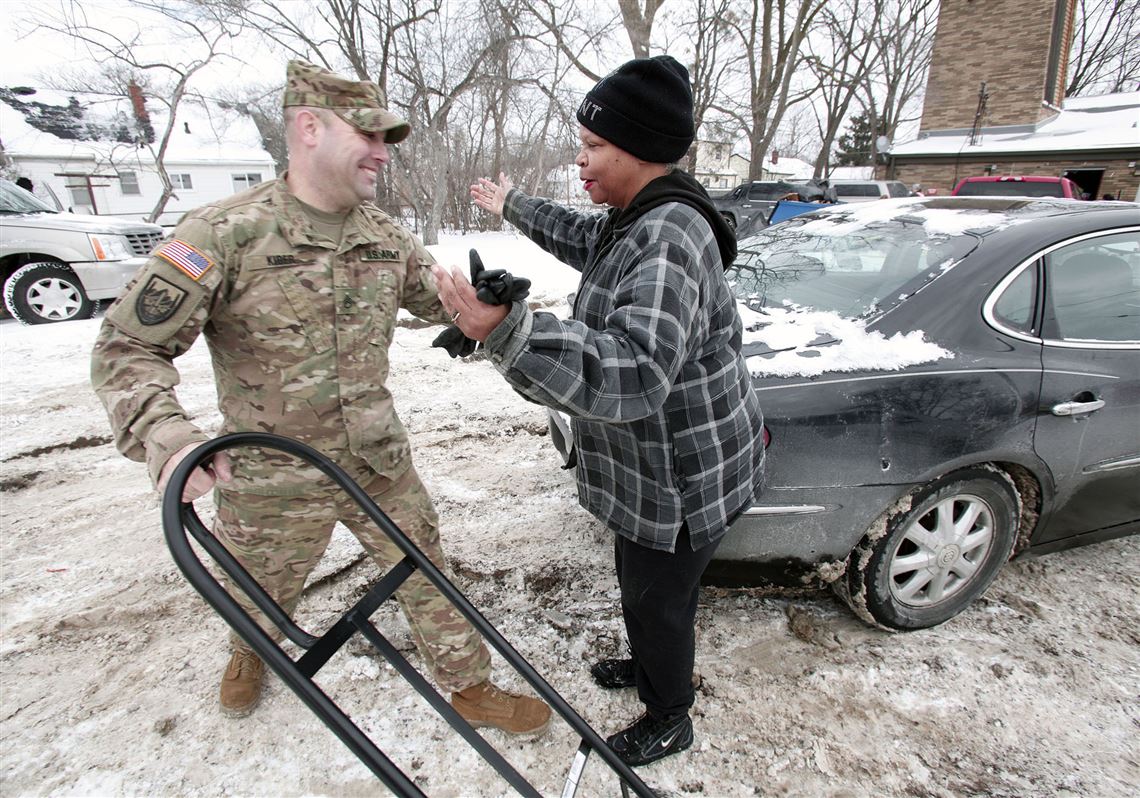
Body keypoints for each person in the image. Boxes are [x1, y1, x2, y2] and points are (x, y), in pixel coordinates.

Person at [90, 59, 550, 736]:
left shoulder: (382, 235)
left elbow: (434, 299)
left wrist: (480, 302)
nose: (381, 152)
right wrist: (168, 438)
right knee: (256, 587)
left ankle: (469, 686)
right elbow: (126, 348)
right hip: (271, 475)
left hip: (377, 464)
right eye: (367, 134)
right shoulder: (224, 234)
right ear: (309, 127)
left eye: (388, 139)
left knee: (426, 574)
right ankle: (249, 652)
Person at [433, 55, 765, 767]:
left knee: (658, 601)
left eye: (592, 150)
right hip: (659, 468)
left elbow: (637, 372)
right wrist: (512, 208)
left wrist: (509, 331)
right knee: (644, 589)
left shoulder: (671, 236)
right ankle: (652, 668)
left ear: (639, 149)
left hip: (679, 481)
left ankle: (669, 712)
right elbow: (583, 239)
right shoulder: (635, 218)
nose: (579, 164)